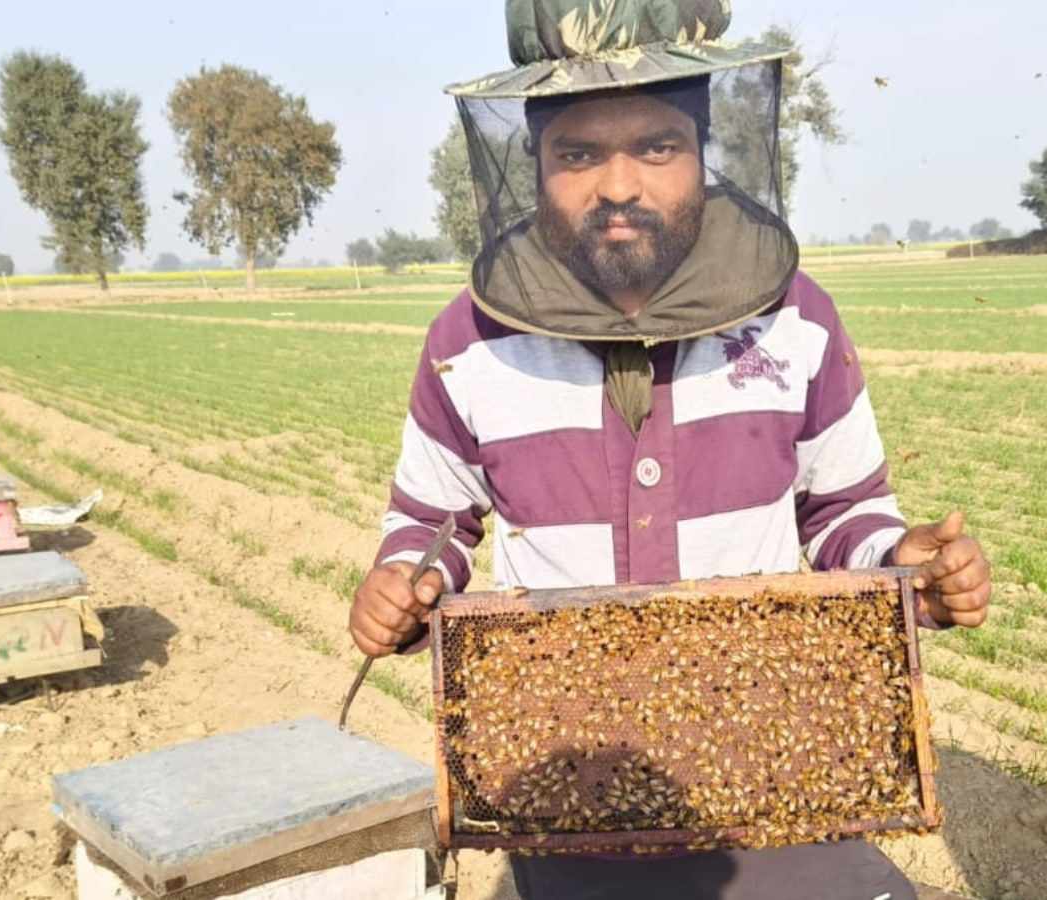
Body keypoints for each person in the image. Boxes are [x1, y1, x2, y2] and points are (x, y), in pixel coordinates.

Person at [350, 2, 991, 897]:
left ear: (704, 150)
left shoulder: (796, 318)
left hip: (770, 773)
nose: (618, 186)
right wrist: (404, 584)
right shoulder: (469, 343)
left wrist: (904, 561)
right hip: (566, 793)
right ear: (531, 164)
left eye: (656, 147)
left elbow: (843, 510)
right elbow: (436, 523)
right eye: (577, 154)